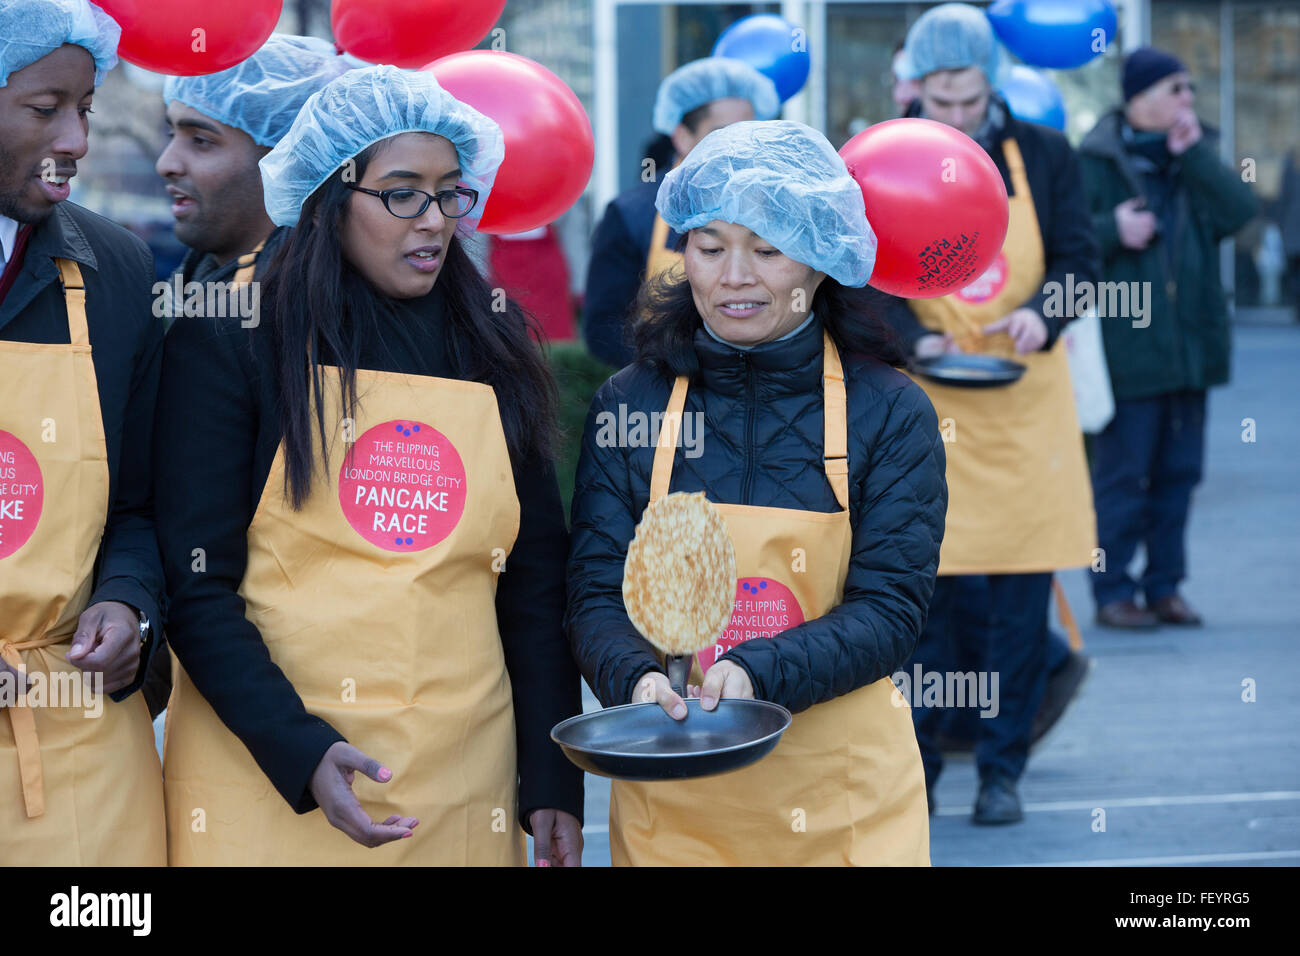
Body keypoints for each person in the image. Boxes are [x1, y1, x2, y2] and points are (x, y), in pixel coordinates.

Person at [155, 66, 584, 866]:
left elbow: (534, 582)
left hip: (458, 785)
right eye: (402, 194)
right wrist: (298, 747)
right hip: (267, 782)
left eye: (450, 193)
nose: (434, 220)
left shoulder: (491, 350)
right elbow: (196, 584)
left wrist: (553, 778)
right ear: (327, 197)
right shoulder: (231, 342)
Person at [568, 120, 946, 866]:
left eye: (767, 250)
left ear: (820, 257)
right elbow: (593, 590)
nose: (733, 277)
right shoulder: (632, 404)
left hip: (842, 804)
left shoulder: (889, 409)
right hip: (676, 805)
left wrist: (756, 670)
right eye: (709, 248)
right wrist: (634, 680)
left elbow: (891, 608)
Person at [885, 2, 1100, 824]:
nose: (956, 116)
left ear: (994, 85)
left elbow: (1080, 259)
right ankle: (921, 770)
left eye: (970, 101)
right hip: (926, 409)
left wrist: (1045, 313)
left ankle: (1003, 771)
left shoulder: (1044, 155)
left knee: (1019, 610)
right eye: (939, 101)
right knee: (925, 608)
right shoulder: (888, 159)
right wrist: (911, 337)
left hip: (1024, 410)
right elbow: (857, 274)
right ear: (916, 89)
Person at [0, 0, 165, 864]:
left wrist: (129, 600)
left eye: (87, 109)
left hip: (80, 745)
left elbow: (136, 503)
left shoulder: (114, 271)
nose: (76, 139)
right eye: (44, 108)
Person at [1078, 48, 1257, 628]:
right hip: (1128, 351)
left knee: (1180, 476)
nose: (1188, 99)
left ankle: (1164, 587)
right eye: (1176, 88)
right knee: (1123, 478)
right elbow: (1065, 240)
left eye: (1189, 89)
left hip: (1190, 351)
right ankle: (1112, 591)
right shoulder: (1095, 159)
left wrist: (1195, 156)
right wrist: (1114, 229)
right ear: (1139, 98)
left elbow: (1239, 211)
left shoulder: (1192, 157)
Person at [583, 56, 779, 368]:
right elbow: (602, 328)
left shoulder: (775, 205)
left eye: (748, 132)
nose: (737, 146)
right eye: (721, 133)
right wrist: (671, 369)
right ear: (681, 136)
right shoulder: (631, 213)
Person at [157, 33, 352, 294]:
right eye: (171, 133)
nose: (165, 164)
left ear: (287, 162)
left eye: (201, 141)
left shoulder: (315, 310)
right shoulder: (191, 290)